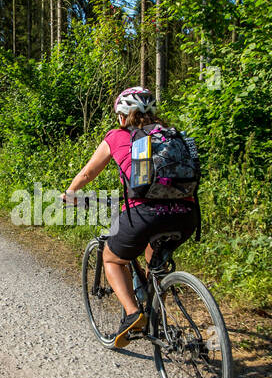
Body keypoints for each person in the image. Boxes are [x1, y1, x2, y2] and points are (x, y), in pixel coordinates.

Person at [63, 86, 199, 348]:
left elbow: (88, 173)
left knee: (112, 258)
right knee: (153, 250)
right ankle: (157, 298)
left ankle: (132, 313)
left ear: (123, 116)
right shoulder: (173, 136)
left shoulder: (117, 136)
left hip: (145, 214)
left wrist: (70, 192)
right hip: (187, 214)